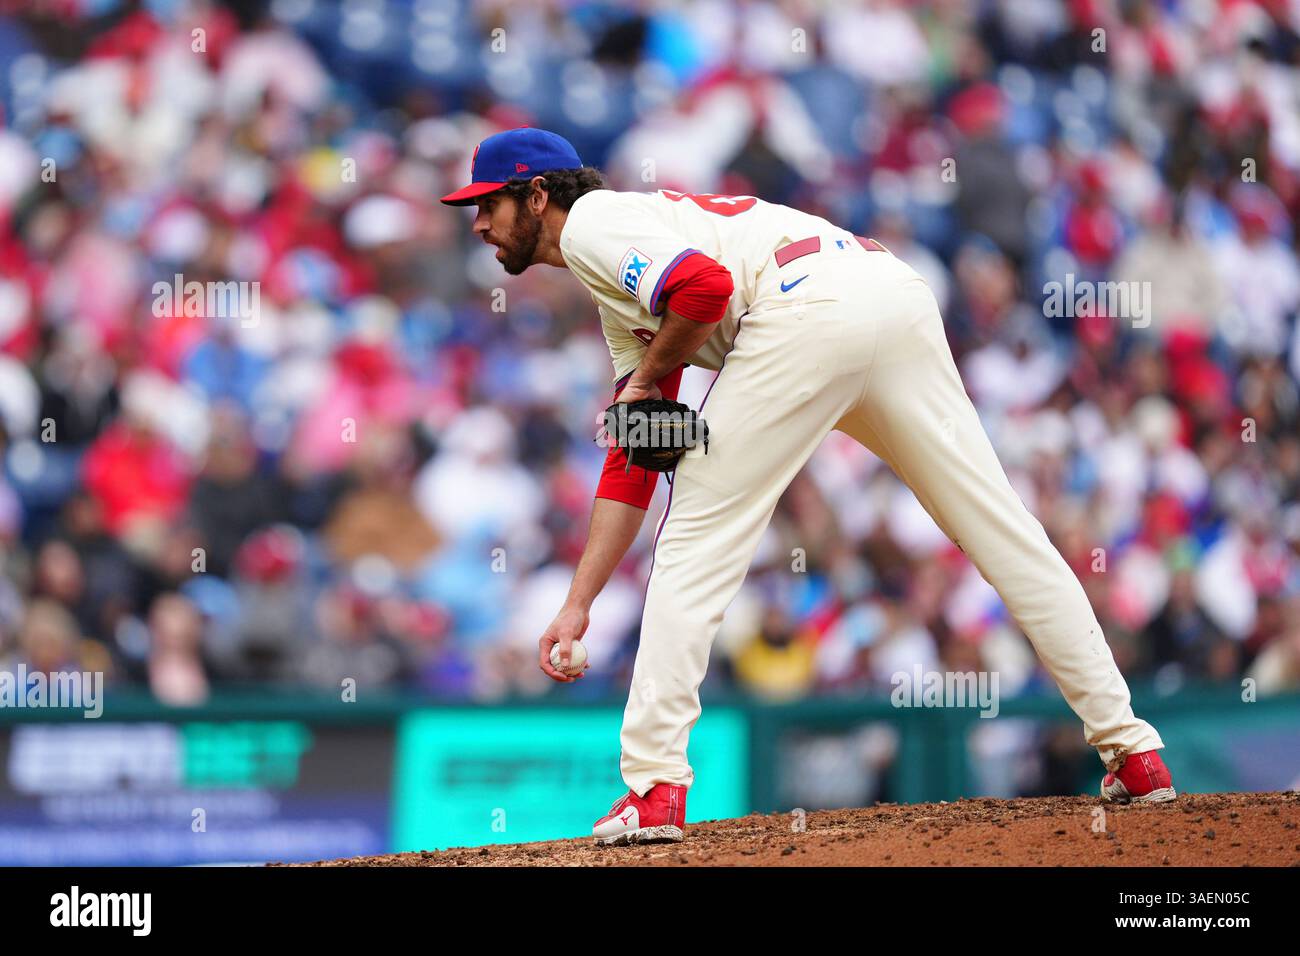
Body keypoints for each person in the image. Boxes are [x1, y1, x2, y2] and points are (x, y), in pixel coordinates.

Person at [441, 127, 1176, 846]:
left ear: (538, 195)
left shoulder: (595, 224)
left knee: (695, 532)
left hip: (806, 311)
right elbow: (634, 455)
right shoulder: (624, 272)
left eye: (488, 204)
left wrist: (638, 385)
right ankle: (1133, 749)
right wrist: (580, 603)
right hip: (889, 293)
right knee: (1001, 528)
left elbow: (705, 287)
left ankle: (654, 785)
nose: (479, 224)